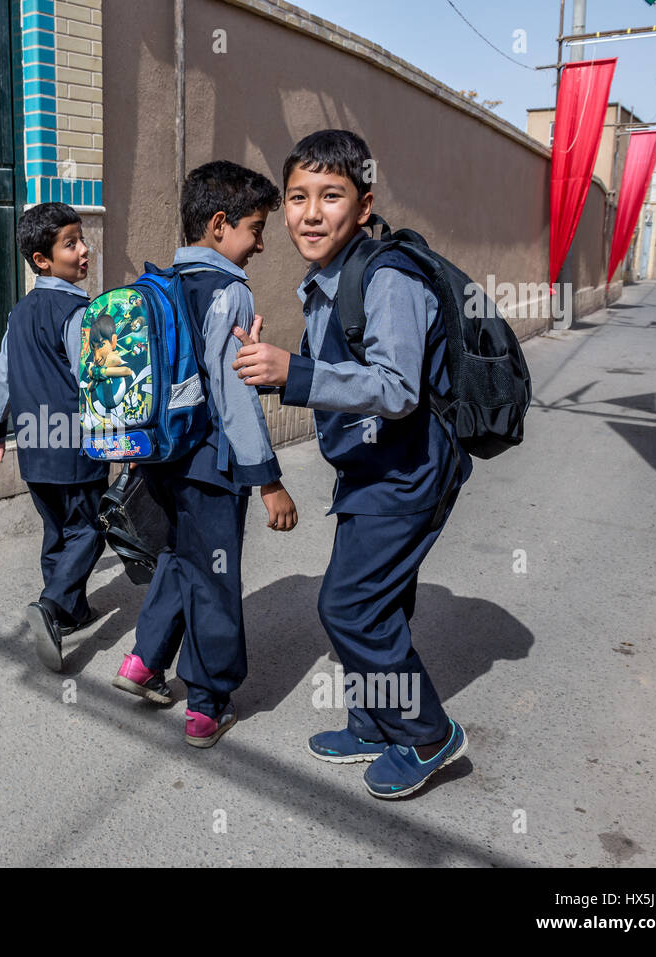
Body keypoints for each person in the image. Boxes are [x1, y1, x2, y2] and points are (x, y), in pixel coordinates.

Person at [232, 129, 471, 797]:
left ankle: (427, 733)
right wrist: (283, 369)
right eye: (297, 196)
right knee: (377, 600)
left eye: (330, 195)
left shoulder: (388, 277)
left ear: (362, 206)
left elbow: (396, 388)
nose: (310, 212)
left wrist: (295, 372)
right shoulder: (332, 277)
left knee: (349, 607)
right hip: (369, 470)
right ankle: (373, 721)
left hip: (408, 471)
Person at [111, 160, 298, 748]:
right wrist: (268, 480)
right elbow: (232, 395)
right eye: (256, 229)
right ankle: (207, 704)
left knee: (178, 557)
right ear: (220, 225)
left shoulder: (159, 285)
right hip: (211, 466)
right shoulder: (231, 294)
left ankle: (143, 662)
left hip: (160, 457)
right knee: (215, 577)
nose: (263, 244)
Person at [0, 202, 110, 673]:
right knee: (91, 527)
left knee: (57, 529)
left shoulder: (19, 314)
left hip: (34, 444)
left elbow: (3, 376)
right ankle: (51, 607)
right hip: (76, 444)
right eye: (71, 243)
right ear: (42, 259)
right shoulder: (83, 312)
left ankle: (72, 611)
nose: (84, 249)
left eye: (82, 239)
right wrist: (124, 437)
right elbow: (93, 379)